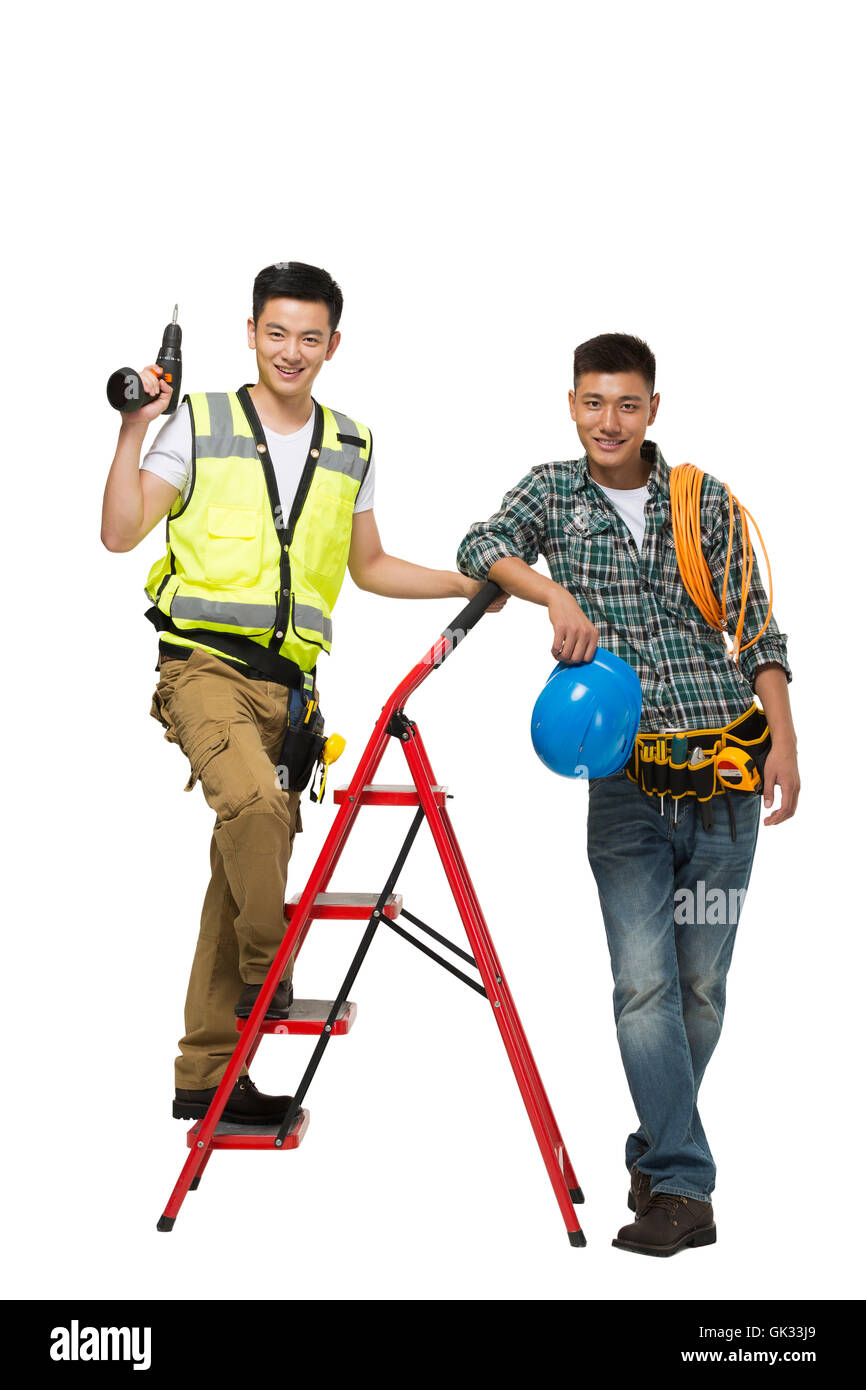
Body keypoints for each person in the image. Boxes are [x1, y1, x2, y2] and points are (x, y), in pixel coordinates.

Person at [102, 261, 496, 1125]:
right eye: (275, 332)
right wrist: (136, 429)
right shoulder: (199, 422)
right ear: (250, 333)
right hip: (200, 669)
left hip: (289, 696)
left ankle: (206, 1075)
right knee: (256, 811)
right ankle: (268, 972)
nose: (290, 351)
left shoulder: (352, 444)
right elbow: (121, 532)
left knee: (233, 869)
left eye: (308, 337)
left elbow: (370, 566)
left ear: (333, 345)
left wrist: (467, 586)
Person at [457, 332, 799, 1256]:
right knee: (644, 986)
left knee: (701, 989)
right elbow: (481, 542)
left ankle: (655, 1152)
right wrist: (552, 598)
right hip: (628, 797)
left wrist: (787, 744)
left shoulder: (703, 501)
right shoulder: (554, 494)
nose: (610, 421)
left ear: (654, 409)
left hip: (727, 786)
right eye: (594, 402)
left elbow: (758, 629)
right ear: (572, 404)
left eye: (629, 404)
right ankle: (686, 1190)